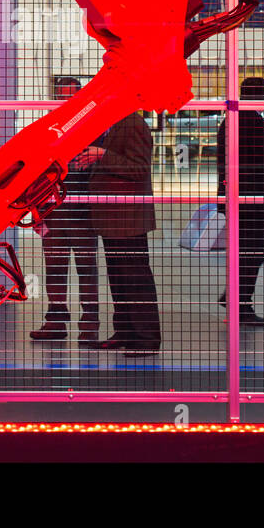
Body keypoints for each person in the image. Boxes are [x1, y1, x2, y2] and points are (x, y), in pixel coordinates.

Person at [30, 77, 99, 345]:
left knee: (86, 269)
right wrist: (36, 211)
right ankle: (56, 321)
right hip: (53, 212)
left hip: (84, 212)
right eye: (61, 96)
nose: (65, 101)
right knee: (55, 269)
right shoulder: (45, 130)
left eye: (70, 96)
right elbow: (33, 172)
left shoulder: (93, 128)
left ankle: (89, 324)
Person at [215, 76, 264, 328]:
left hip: (238, 197)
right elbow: (262, 159)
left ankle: (236, 299)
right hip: (249, 198)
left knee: (247, 248)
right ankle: (240, 303)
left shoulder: (233, 118)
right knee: (254, 247)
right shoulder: (252, 121)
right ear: (263, 96)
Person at [90, 110, 161, 357]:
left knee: (135, 278)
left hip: (128, 218)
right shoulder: (113, 122)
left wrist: (103, 155)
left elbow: (139, 167)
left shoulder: (132, 124)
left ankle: (146, 338)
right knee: (119, 278)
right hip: (113, 217)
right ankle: (126, 331)